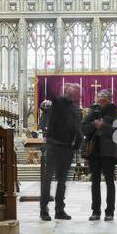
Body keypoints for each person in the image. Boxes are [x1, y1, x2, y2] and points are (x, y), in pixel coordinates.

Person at [39, 87, 81, 222]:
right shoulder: (57, 103)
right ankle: (44, 210)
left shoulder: (75, 109)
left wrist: (76, 146)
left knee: (61, 181)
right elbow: (48, 90)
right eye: (71, 90)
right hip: (53, 146)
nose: (73, 93)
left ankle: (59, 210)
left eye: (75, 91)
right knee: (48, 179)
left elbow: (78, 129)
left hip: (66, 148)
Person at [81, 89, 117, 221]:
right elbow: (83, 128)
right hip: (94, 151)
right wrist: (94, 124)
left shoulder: (115, 114)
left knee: (110, 182)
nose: (100, 100)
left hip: (109, 153)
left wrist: (102, 126)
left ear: (109, 99)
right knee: (95, 182)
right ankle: (95, 211)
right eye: (99, 98)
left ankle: (110, 212)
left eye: (104, 98)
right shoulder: (92, 112)